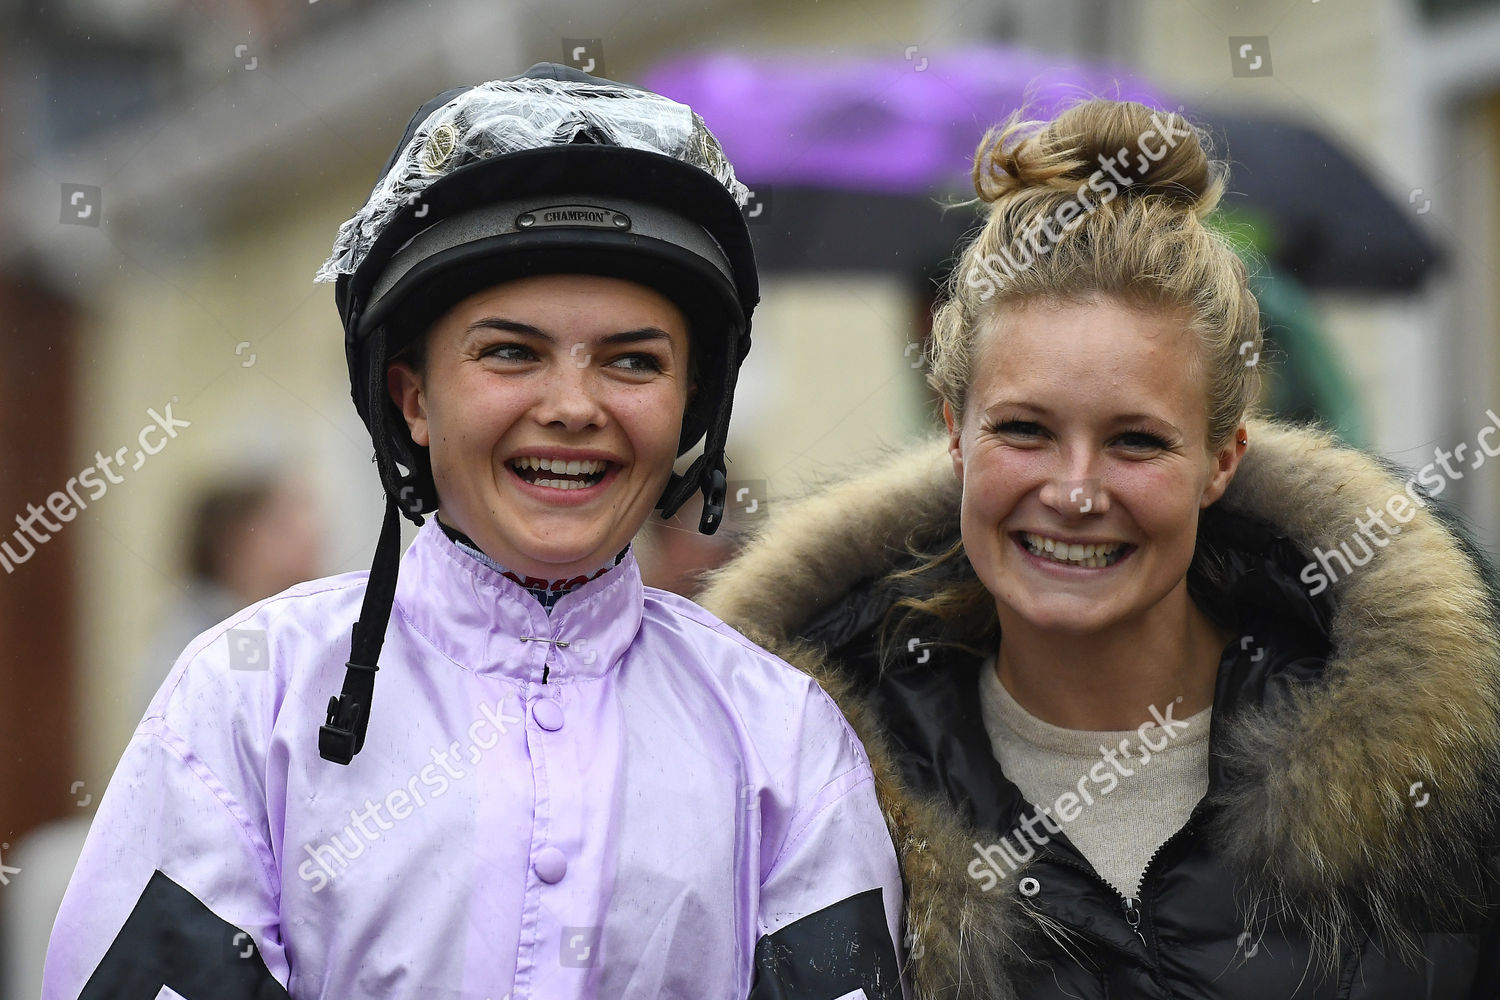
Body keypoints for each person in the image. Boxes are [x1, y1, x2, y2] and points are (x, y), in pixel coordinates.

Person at [42, 63, 905, 999]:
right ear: (411, 398)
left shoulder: (787, 741)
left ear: (691, 401)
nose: (574, 407)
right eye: (511, 352)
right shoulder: (246, 700)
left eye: (632, 361)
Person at [699, 98, 1500, 998]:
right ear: (954, 436)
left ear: (1221, 461)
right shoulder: (795, 777)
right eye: (1027, 431)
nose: (1076, 492)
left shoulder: (1452, 768)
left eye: (1137, 442)